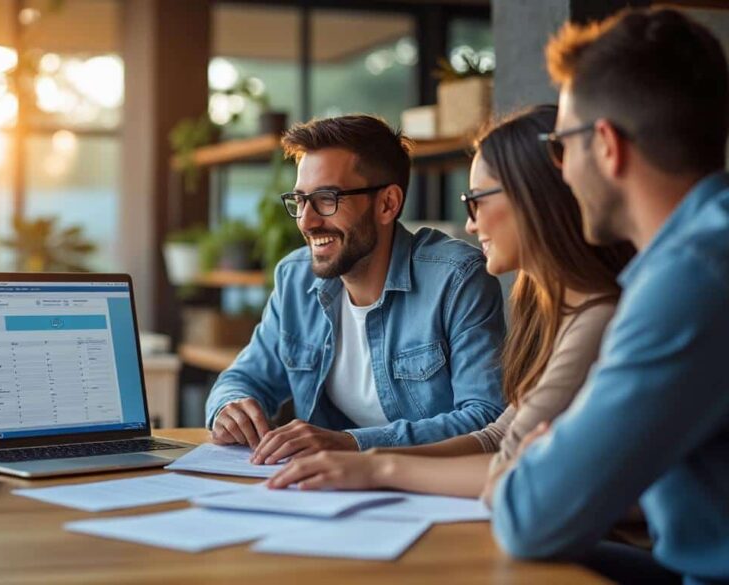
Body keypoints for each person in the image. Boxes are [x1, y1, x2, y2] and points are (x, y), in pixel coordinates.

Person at [267, 105, 635, 496]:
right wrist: (367, 460)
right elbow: (497, 437)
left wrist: (377, 465)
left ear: (534, 200)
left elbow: (512, 475)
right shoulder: (555, 315)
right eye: (301, 201)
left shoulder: (597, 318)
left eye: (477, 200)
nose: (472, 224)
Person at [483, 9, 729, 583]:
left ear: (606, 145)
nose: (561, 172)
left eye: (560, 146)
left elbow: (531, 515)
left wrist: (532, 463)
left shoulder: (690, 279)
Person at [205, 114, 507, 462]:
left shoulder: (456, 279)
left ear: (387, 204)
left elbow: (485, 419)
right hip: (332, 491)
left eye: (327, 199)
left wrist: (350, 444)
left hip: (429, 490)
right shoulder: (294, 278)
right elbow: (244, 377)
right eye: (300, 200)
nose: (306, 220)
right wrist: (230, 406)